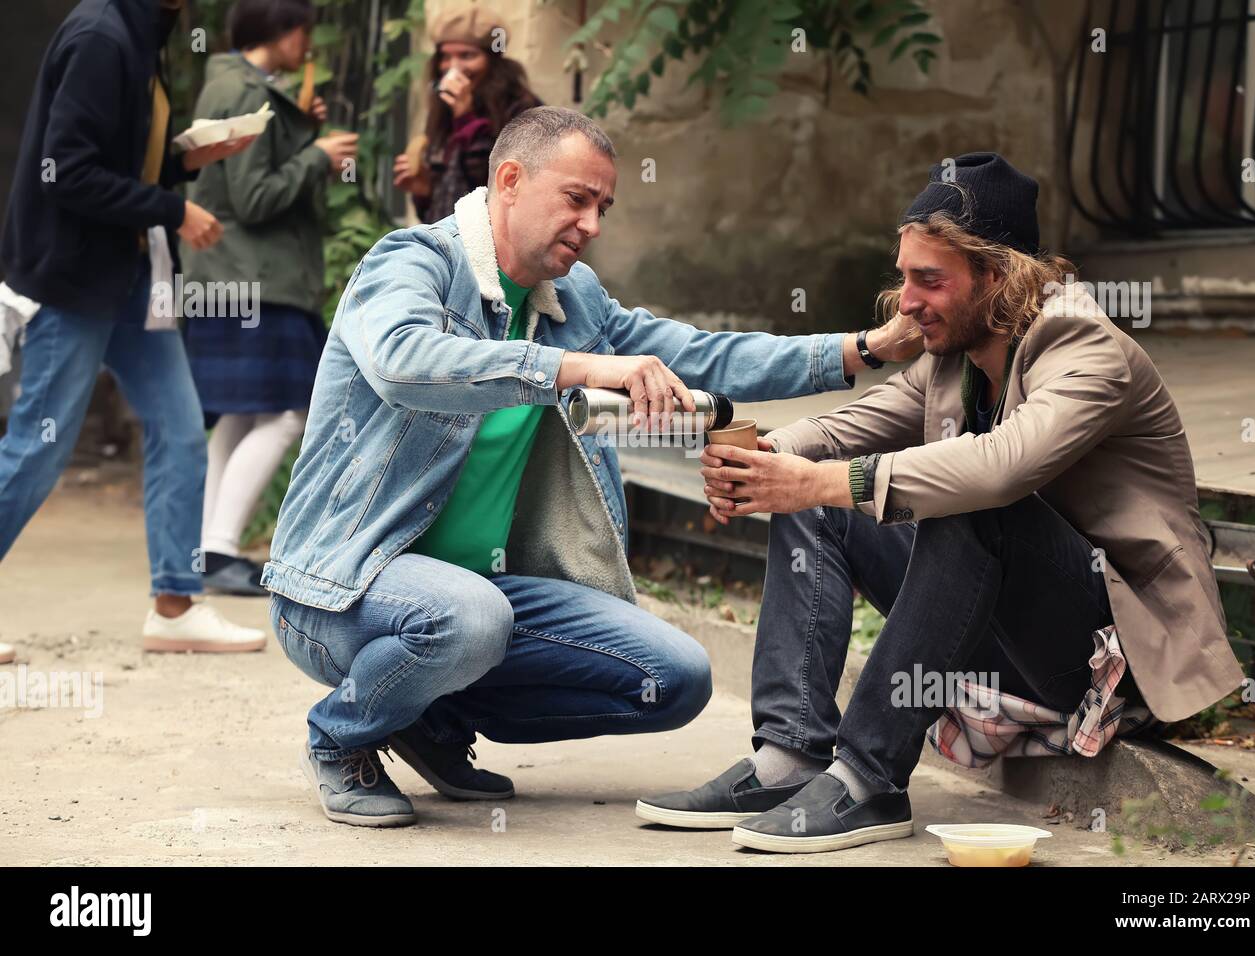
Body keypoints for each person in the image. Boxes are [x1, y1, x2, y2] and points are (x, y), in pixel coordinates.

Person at [263, 105, 924, 827]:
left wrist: (862, 349)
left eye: (603, 206)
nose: (594, 225)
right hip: (344, 586)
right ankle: (340, 737)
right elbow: (403, 361)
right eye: (578, 199)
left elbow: (701, 353)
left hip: (478, 595)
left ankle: (430, 720)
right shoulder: (413, 263)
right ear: (510, 180)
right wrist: (577, 369)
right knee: (470, 618)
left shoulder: (573, 299)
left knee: (674, 678)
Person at [637, 153, 1245, 854]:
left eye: (930, 280)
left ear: (999, 275)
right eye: (903, 277)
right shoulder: (956, 352)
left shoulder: (1082, 343)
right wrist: (764, 463)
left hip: (1107, 653)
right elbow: (851, 427)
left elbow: (1001, 467)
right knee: (815, 489)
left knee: (966, 499)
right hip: (1004, 627)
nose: (906, 301)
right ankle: (790, 756)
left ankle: (869, 779)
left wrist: (824, 479)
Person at [0, 0, 267, 653]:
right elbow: (68, 171)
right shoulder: (101, 34)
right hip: (76, 279)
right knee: (40, 445)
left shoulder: (142, 32)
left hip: (127, 277)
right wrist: (174, 209)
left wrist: (188, 158)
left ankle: (175, 605)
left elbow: (119, 162)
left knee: (180, 430)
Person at [184, 0, 358, 595]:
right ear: (283, 32)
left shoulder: (235, 85)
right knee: (288, 412)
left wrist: (298, 133)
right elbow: (253, 198)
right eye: (303, 30)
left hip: (233, 277)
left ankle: (210, 549)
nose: (308, 43)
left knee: (241, 412)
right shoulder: (245, 95)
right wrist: (317, 155)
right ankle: (221, 547)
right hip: (255, 278)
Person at [393, 4, 542, 224]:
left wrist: (467, 119)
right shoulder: (443, 111)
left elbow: (495, 185)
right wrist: (425, 190)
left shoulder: (522, 110)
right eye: (445, 57)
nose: (453, 67)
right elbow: (444, 206)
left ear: (492, 60)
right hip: (448, 245)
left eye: (466, 55)